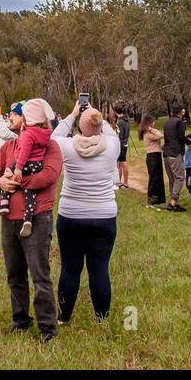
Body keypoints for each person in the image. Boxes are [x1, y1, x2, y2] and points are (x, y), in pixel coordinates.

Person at [0, 99, 64, 341]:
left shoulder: (51, 147)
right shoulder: (9, 147)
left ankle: (47, 328)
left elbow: (50, 176)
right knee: (14, 273)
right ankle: (20, 320)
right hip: (9, 220)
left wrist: (18, 182)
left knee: (40, 273)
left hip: (37, 218)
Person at [50, 103, 120, 324]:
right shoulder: (112, 146)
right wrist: (96, 115)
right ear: (101, 126)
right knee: (99, 268)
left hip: (71, 214)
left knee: (70, 268)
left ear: (79, 126)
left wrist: (72, 115)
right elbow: (109, 132)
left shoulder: (67, 147)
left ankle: (64, 317)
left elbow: (54, 135)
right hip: (104, 214)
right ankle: (101, 318)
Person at [0, 106, 50, 234]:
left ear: (25, 119)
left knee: (10, 171)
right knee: (30, 193)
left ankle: (4, 202)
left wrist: (16, 173)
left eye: (14, 114)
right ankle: (27, 219)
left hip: (40, 218)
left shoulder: (26, 135)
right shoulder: (42, 134)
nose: (10, 118)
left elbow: (49, 177)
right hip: (36, 166)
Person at [162, 108, 191, 211]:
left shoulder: (166, 122)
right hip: (175, 153)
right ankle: (172, 202)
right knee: (180, 177)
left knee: (172, 179)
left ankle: (175, 203)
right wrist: (190, 142)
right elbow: (181, 137)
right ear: (181, 112)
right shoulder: (180, 122)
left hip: (166, 153)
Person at [141, 115, 166, 205]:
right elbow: (161, 135)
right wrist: (151, 129)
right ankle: (152, 198)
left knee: (158, 177)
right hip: (153, 156)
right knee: (154, 178)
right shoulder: (148, 133)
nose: (154, 123)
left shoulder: (149, 132)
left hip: (156, 155)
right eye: (153, 122)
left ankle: (159, 199)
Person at [113, 104, 131, 189]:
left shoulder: (119, 121)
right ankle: (119, 182)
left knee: (122, 162)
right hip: (125, 142)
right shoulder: (127, 119)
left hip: (121, 144)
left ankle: (125, 182)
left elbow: (119, 134)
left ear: (115, 111)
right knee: (119, 162)